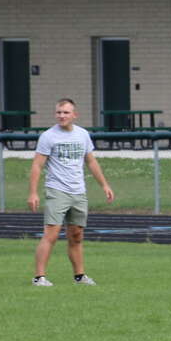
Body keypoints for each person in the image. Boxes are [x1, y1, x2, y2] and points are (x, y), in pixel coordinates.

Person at [27, 98, 115, 286]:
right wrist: (33, 193)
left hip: (78, 192)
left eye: (66, 112)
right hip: (57, 190)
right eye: (59, 112)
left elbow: (91, 161)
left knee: (76, 235)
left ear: (74, 115)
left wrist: (104, 185)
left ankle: (79, 276)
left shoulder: (82, 135)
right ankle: (39, 277)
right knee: (51, 234)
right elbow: (37, 165)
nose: (62, 116)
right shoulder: (48, 136)